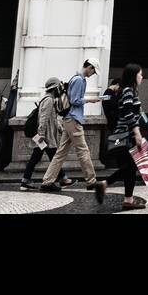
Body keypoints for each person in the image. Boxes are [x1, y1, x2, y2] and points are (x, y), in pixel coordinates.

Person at [40, 59, 106, 200]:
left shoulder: (75, 78)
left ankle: (47, 181)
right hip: (73, 119)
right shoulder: (79, 80)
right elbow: (75, 100)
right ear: (89, 67)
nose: (93, 74)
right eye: (93, 71)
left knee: (61, 153)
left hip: (69, 119)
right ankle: (91, 181)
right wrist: (90, 100)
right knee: (83, 150)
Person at [103, 62, 146, 211]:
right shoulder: (128, 91)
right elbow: (127, 112)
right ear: (134, 76)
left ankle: (125, 197)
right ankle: (125, 197)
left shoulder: (129, 90)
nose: (142, 77)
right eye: (140, 74)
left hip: (126, 132)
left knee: (129, 167)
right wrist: (137, 131)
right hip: (127, 134)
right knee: (130, 167)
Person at [20, 78, 72, 191]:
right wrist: (41, 134)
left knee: (40, 156)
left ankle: (25, 181)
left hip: (45, 135)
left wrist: (59, 128)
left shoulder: (50, 99)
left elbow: (52, 118)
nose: (60, 89)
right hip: (45, 136)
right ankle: (61, 178)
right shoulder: (48, 100)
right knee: (51, 155)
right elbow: (43, 118)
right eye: (58, 87)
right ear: (54, 88)